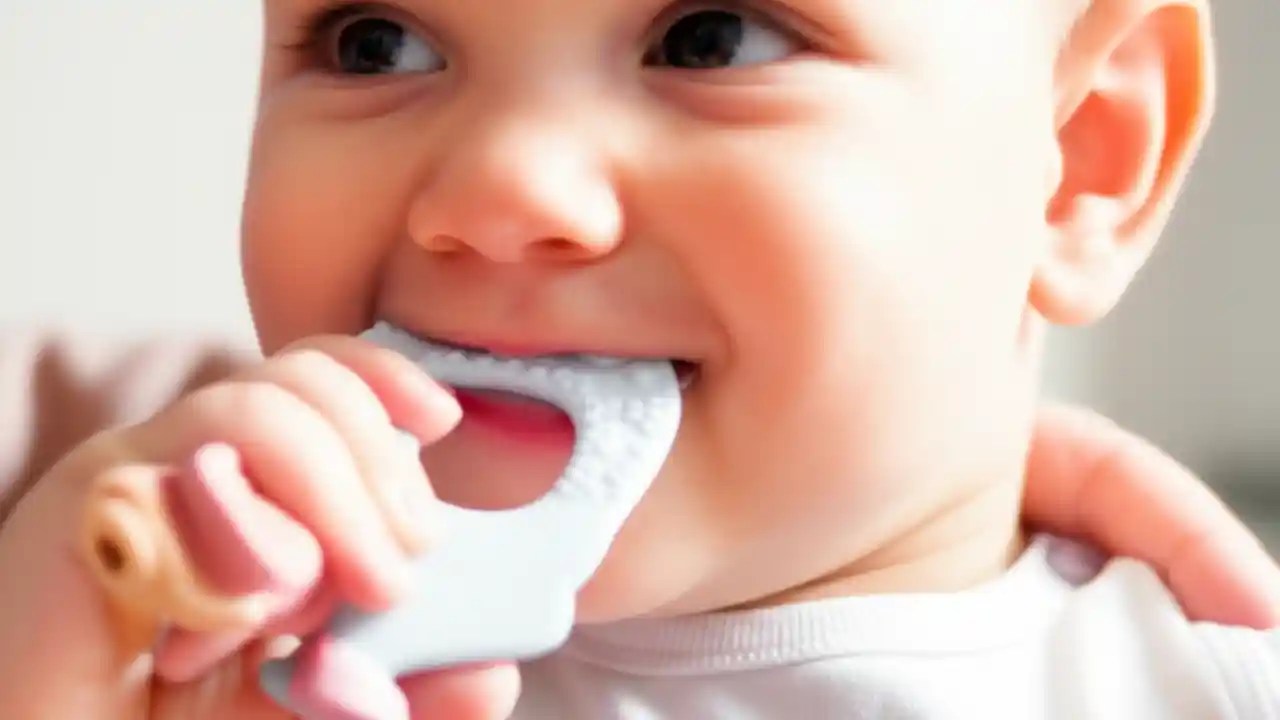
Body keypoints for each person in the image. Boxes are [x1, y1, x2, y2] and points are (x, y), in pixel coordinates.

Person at [2, 0, 1277, 716]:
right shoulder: (141, 632)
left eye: (712, 38)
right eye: (373, 43)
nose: (496, 192)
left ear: (1082, 161)